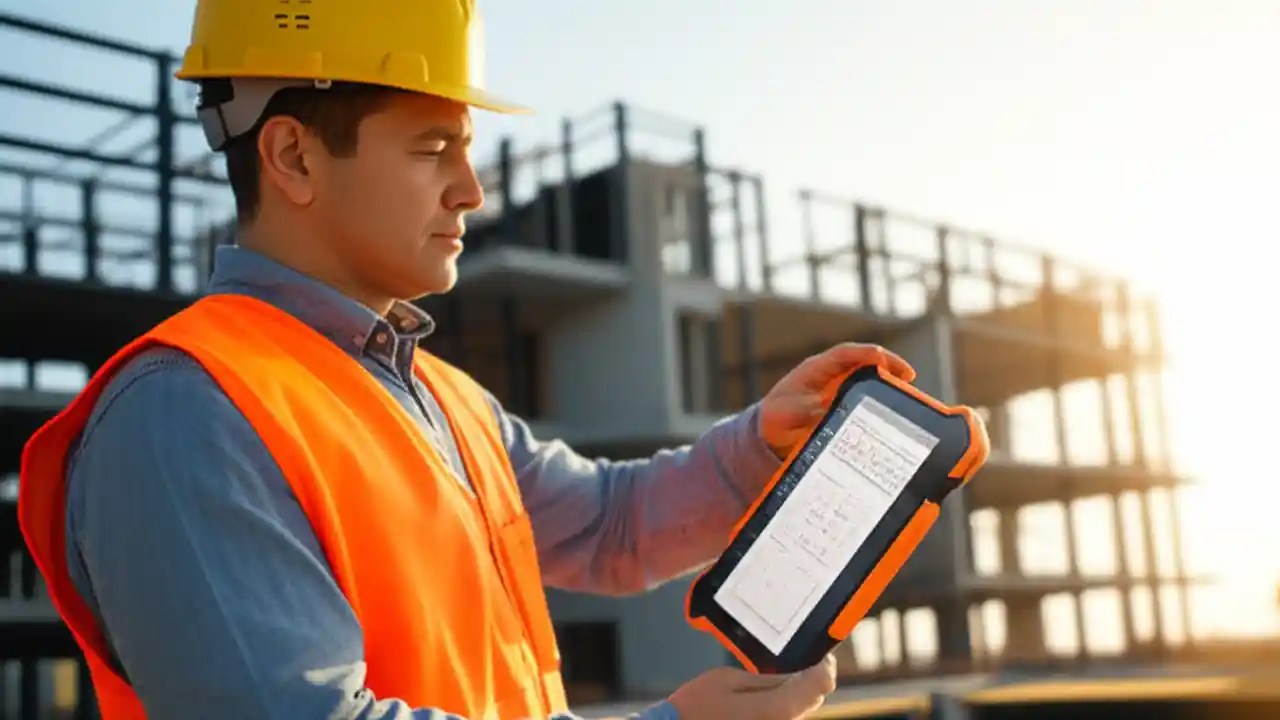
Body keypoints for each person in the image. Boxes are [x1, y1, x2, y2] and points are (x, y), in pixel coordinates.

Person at [18, 1, 916, 718]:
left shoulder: (443, 399)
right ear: (293, 155)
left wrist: (762, 442)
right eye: (431, 147)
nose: (472, 191)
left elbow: (610, 526)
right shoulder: (185, 411)